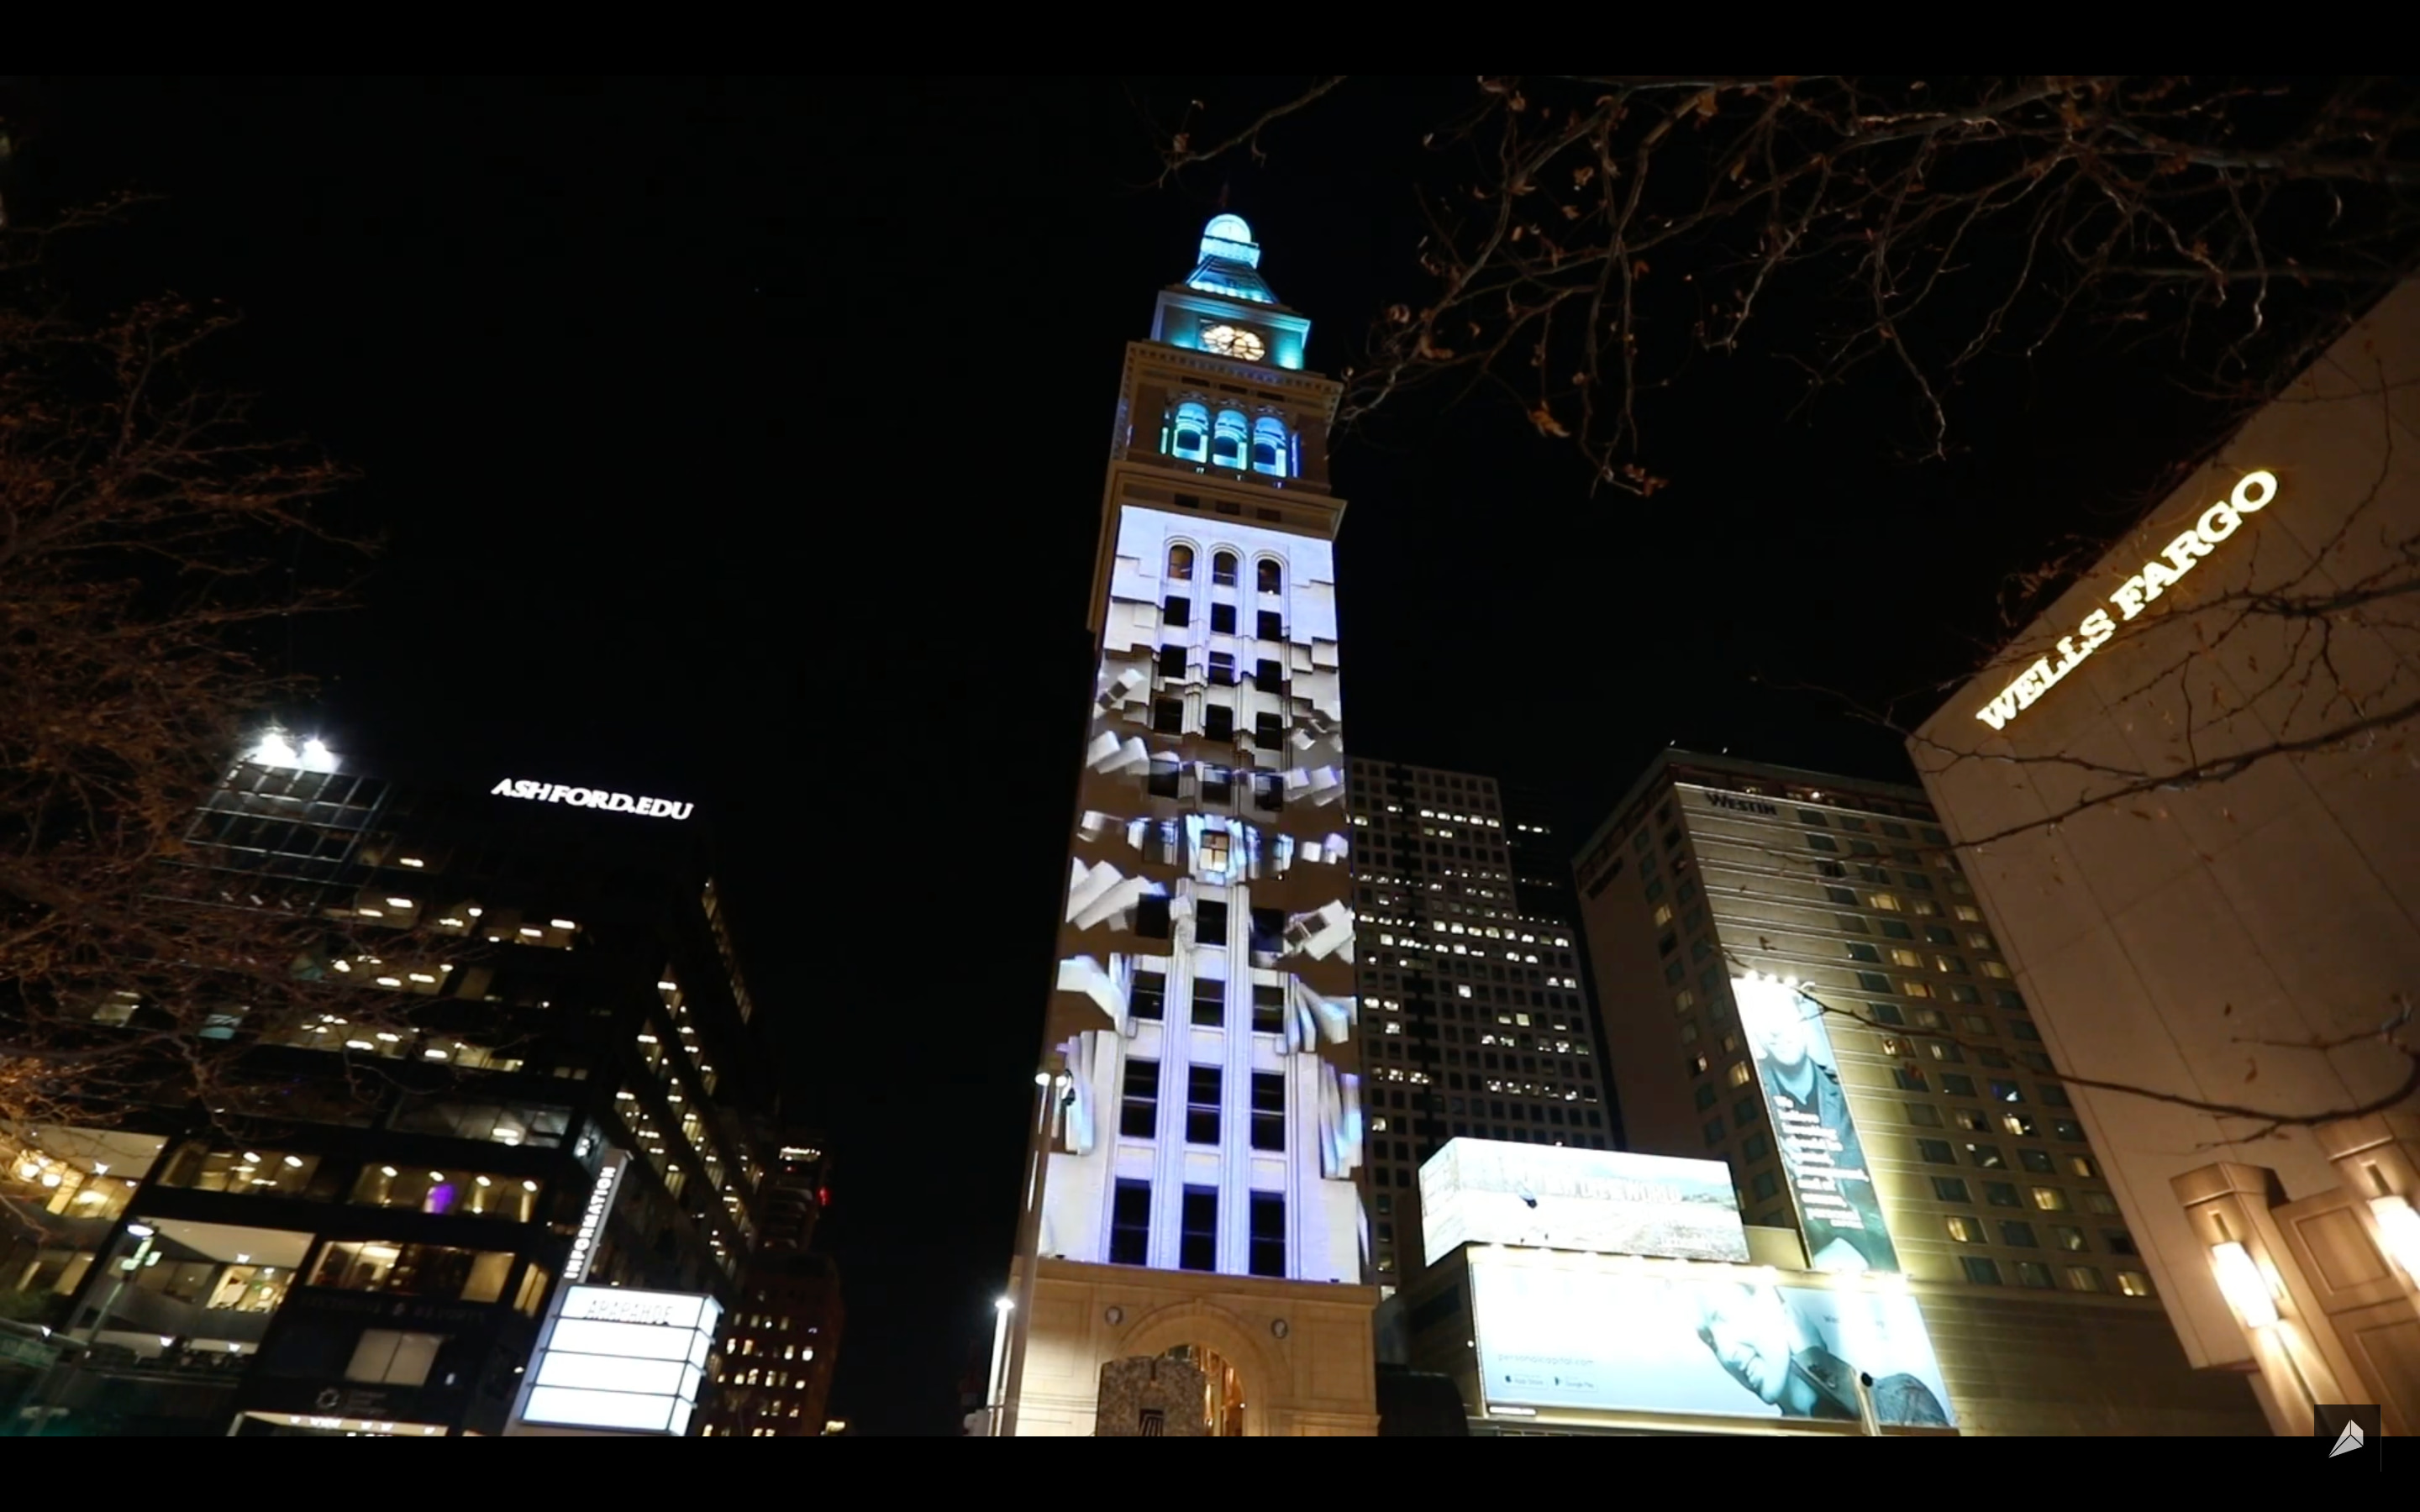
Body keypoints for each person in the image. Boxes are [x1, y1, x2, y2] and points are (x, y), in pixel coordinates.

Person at [1738, 982, 1898, 1273]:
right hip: (1797, 1259)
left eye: (1784, 1020)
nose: (1776, 1032)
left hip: (1865, 1255)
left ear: (1803, 1023)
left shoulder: (1844, 1093)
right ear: (1757, 1034)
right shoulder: (1748, 1103)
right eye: (1765, 1023)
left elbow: (1869, 1207)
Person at [1692, 1283, 1950, 1427]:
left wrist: (1815, 1360)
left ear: (1771, 1303)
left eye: (1724, 1317)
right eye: (1712, 1342)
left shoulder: (1900, 1396)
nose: (1727, 1353)